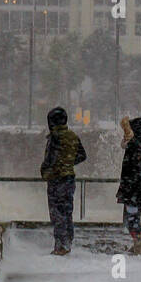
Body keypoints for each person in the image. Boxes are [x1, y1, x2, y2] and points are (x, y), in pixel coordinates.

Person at [40, 106, 87, 255]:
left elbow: (50, 160)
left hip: (56, 179)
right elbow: (82, 155)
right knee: (67, 211)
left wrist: (46, 171)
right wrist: (68, 163)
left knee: (57, 213)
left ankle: (60, 245)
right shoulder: (73, 136)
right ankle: (67, 242)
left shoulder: (55, 137)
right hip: (69, 179)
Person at [116, 116, 141, 255]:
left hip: (134, 190)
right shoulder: (140, 145)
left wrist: (127, 131)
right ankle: (138, 244)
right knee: (131, 219)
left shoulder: (138, 146)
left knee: (132, 220)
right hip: (133, 189)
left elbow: (135, 170)